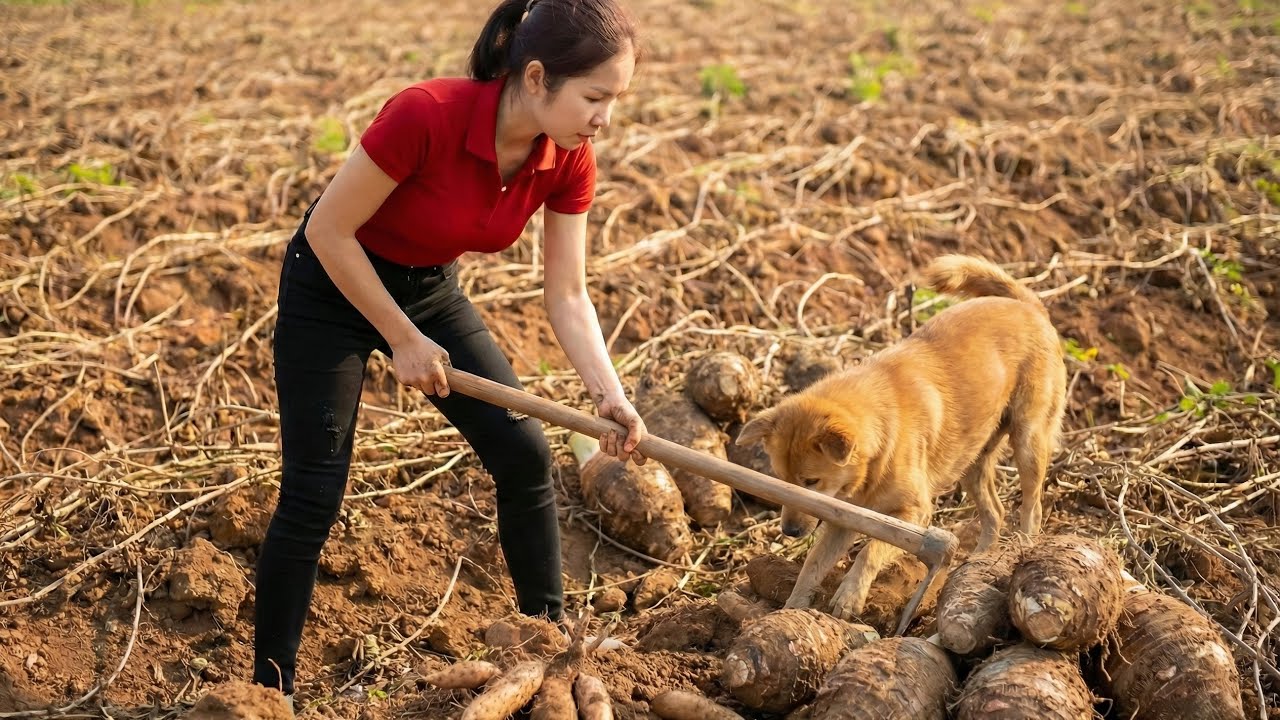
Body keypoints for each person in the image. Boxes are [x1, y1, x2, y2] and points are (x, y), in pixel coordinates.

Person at [253, 0, 645, 699]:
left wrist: (608, 395)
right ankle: (268, 690)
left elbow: (568, 296)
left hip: (428, 288)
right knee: (315, 489)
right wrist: (402, 340)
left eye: (615, 100)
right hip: (331, 284)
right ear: (534, 79)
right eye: (595, 97)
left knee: (524, 454)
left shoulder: (569, 158)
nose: (604, 118)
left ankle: (546, 644)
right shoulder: (425, 114)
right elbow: (330, 231)